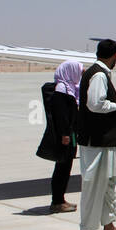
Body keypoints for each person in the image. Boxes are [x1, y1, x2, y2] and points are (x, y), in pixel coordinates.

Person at [75, 40, 116, 230]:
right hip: (97, 142)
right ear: (114, 55)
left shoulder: (99, 73)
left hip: (105, 142)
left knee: (108, 184)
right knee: (93, 185)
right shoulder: (98, 74)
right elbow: (95, 104)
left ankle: (109, 227)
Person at [37, 60, 82, 214]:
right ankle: (57, 201)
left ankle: (60, 199)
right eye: (78, 70)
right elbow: (61, 114)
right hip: (66, 137)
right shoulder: (62, 90)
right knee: (62, 168)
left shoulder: (70, 88)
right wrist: (65, 134)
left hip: (71, 134)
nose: (80, 74)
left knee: (65, 167)